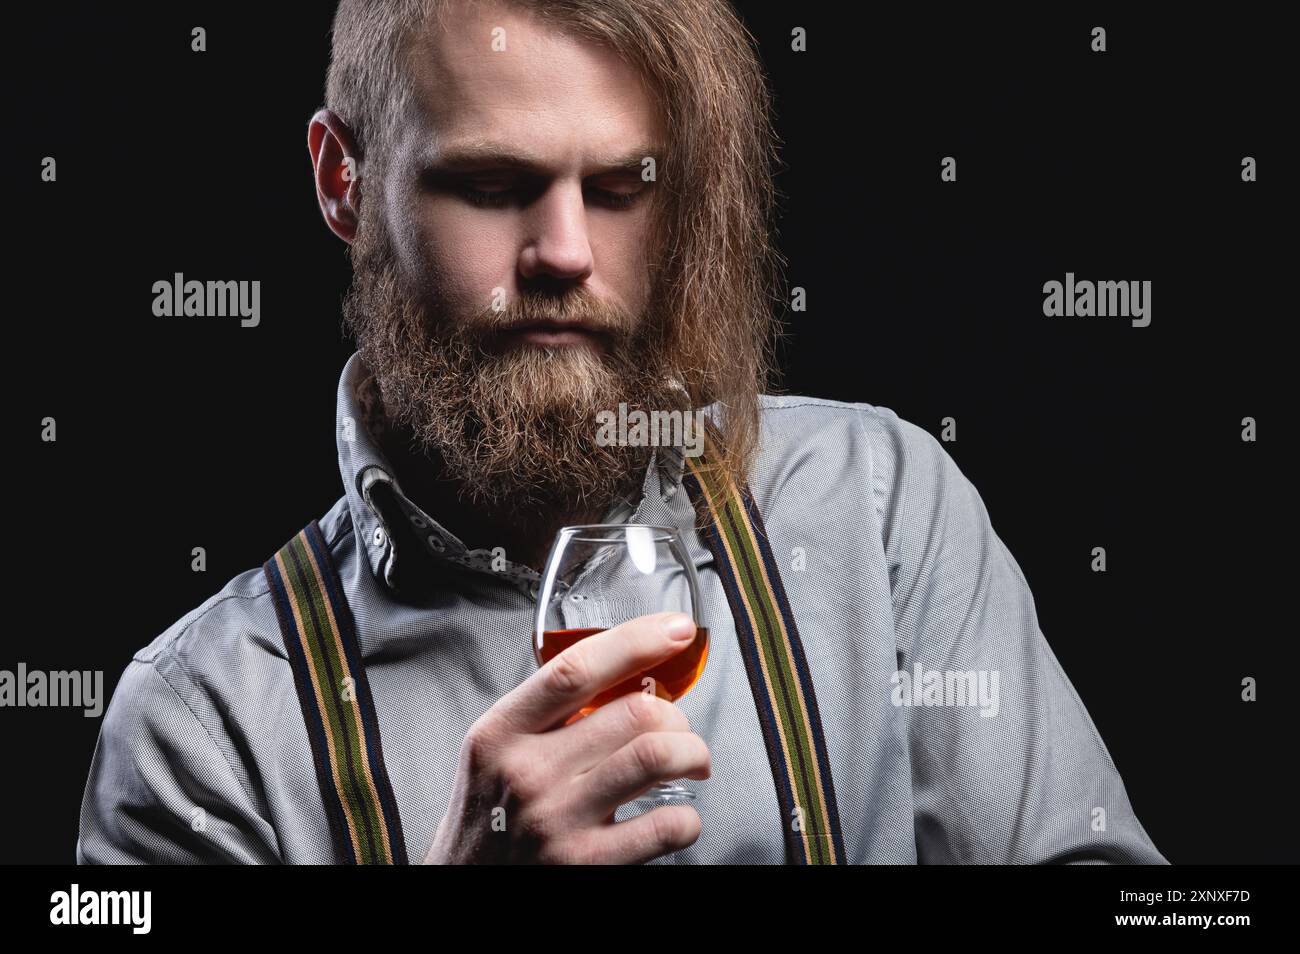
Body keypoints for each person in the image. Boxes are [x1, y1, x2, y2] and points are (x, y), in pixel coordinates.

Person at [76, 0, 1167, 864]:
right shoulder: (200, 729)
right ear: (343, 183)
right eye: (493, 184)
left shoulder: (876, 507)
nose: (563, 252)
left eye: (618, 187)